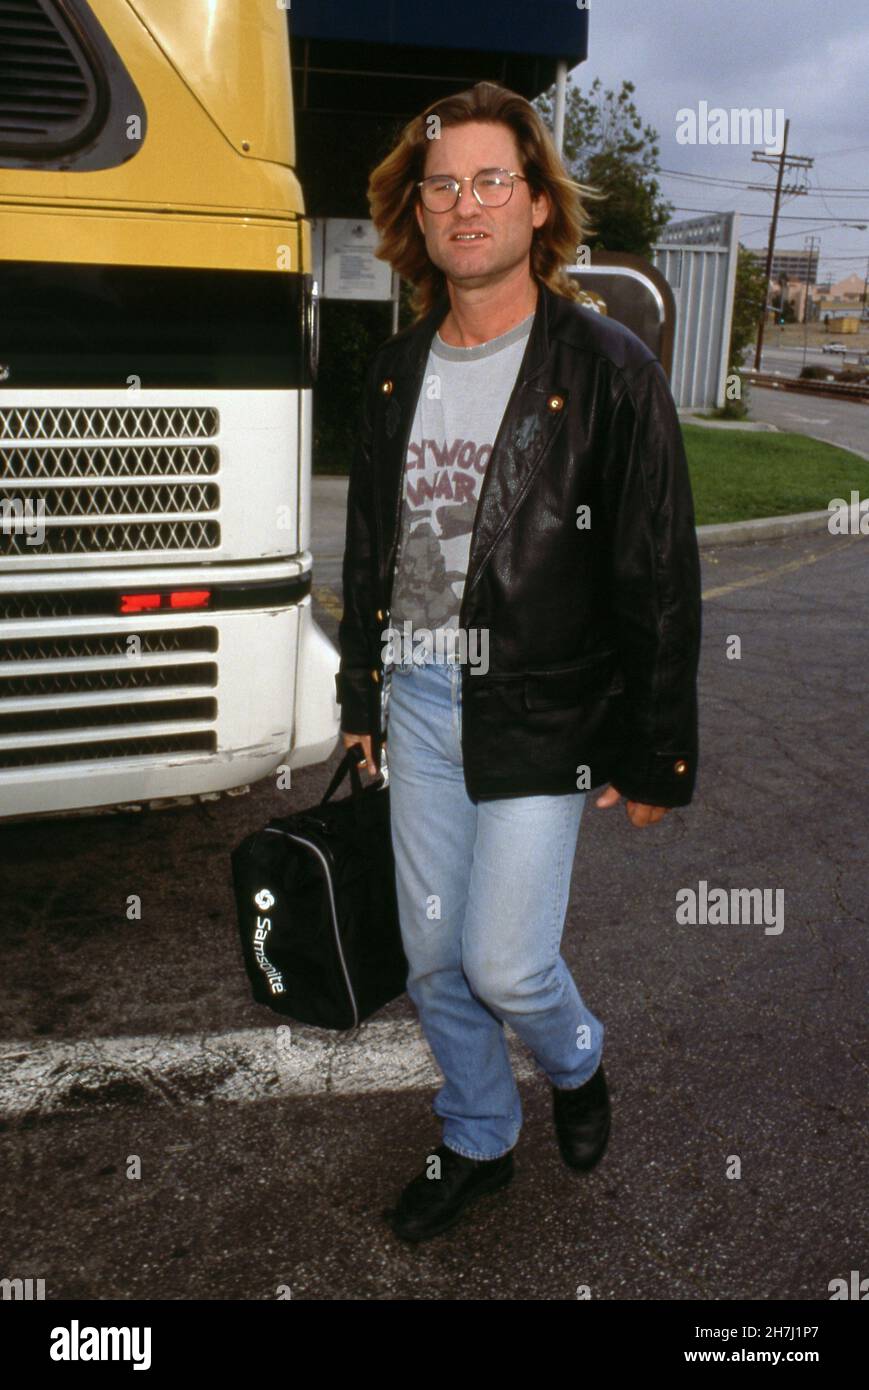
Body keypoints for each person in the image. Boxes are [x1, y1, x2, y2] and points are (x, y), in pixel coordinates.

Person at [334, 81, 702, 1244]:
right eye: (443, 184)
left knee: (501, 960)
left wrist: (651, 750)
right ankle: (477, 1135)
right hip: (421, 698)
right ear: (420, 212)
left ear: (538, 206)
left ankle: (577, 1058)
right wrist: (363, 695)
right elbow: (371, 548)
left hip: (541, 709)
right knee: (434, 957)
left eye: (492, 179)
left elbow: (653, 573)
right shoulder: (394, 367)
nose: (465, 203)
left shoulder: (605, 370)